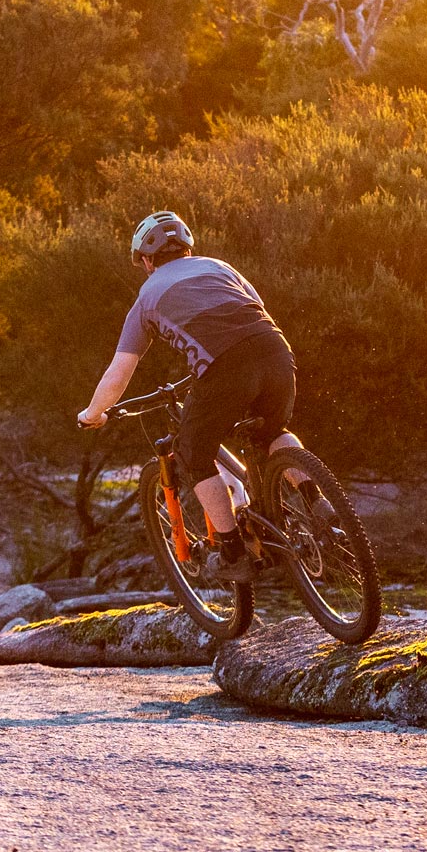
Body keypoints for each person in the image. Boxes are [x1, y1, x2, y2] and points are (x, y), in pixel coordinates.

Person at [77, 211, 331, 582]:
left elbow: (120, 371)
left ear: (147, 260)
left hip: (223, 367)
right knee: (273, 431)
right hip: (275, 350)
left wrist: (93, 413)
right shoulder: (220, 266)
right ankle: (318, 502)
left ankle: (231, 551)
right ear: (187, 247)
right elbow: (257, 310)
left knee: (194, 455)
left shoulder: (147, 295)